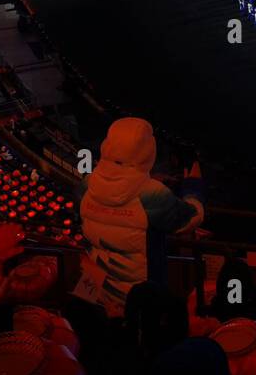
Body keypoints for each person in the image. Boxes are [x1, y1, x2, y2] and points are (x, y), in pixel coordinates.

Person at [72, 118, 204, 318]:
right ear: (147, 153)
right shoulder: (152, 195)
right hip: (139, 294)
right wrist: (193, 187)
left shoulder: (87, 184)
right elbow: (190, 218)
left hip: (94, 286)